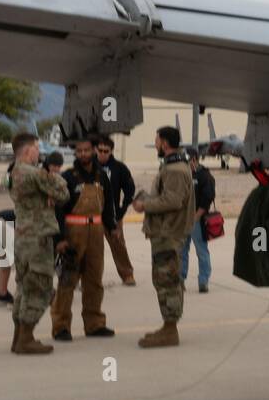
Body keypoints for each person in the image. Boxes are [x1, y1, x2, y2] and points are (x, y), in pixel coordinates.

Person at [132, 126, 193, 348]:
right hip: (164, 233)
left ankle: (170, 330)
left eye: (157, 140)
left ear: (165, 143)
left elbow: (173, 201)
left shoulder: (175, 169)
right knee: (166, 280)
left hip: (168, 234)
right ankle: (168, 327)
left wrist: (144, 205)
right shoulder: (172, 166)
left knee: (167, 281)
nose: (155, 143)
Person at [8, 132, 67, 354]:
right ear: (27, 150)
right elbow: (63, 192)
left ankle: (18, 337)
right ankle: (26, 338)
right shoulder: (34, 174)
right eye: (36, 147)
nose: (38, 152)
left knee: (23, 288)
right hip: (38, 239)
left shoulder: (13, 172)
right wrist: (55, 181)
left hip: (23, 238)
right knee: (40, 288)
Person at [51, 137, 116, 341]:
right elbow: (57, 210)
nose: (83, 154)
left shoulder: (102, 177)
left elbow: (109, 204)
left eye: (87, 150)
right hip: (74, 231)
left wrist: (112, 227)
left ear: (94, 151)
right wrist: (59, 239)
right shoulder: (67, 177)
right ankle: (61, 326)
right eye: (79, 151)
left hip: (96, 231)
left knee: (94, 279)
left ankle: (95, 324)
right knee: (68, 279)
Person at [96, 136, 136, 285]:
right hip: (93, 215)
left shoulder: (119, 168)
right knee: (93, 248)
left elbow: (130, 189)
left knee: (118, 245)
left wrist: (122, 209)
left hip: (113, 215)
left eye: (106, 151)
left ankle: (127, 274)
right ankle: (92, 278)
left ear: (111, 151)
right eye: (100, 150)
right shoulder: (89, 167)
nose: (102, 153)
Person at [181, 148, 214, 294]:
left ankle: (203, 281)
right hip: (182, 219)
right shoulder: (182, 175)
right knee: (181, 251)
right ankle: (180, 280)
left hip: (197, 221)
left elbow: (208, 197)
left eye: (186, 161)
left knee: (201, 251)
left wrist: (196, 216)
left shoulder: (204, 175)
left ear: (194, 159)